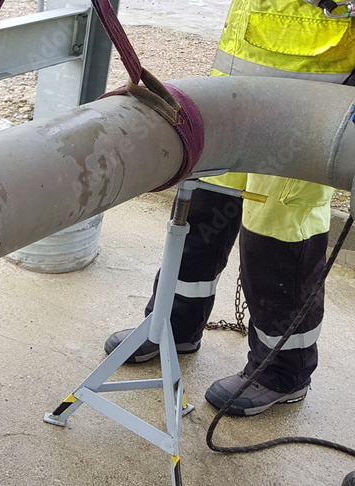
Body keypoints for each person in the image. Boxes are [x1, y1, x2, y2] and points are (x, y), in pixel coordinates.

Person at [104, 0, 354, 417]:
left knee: (278, 235)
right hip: (232, 99)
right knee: (201, 212)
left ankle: (282, 371)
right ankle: (173, 325)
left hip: (308, 114)